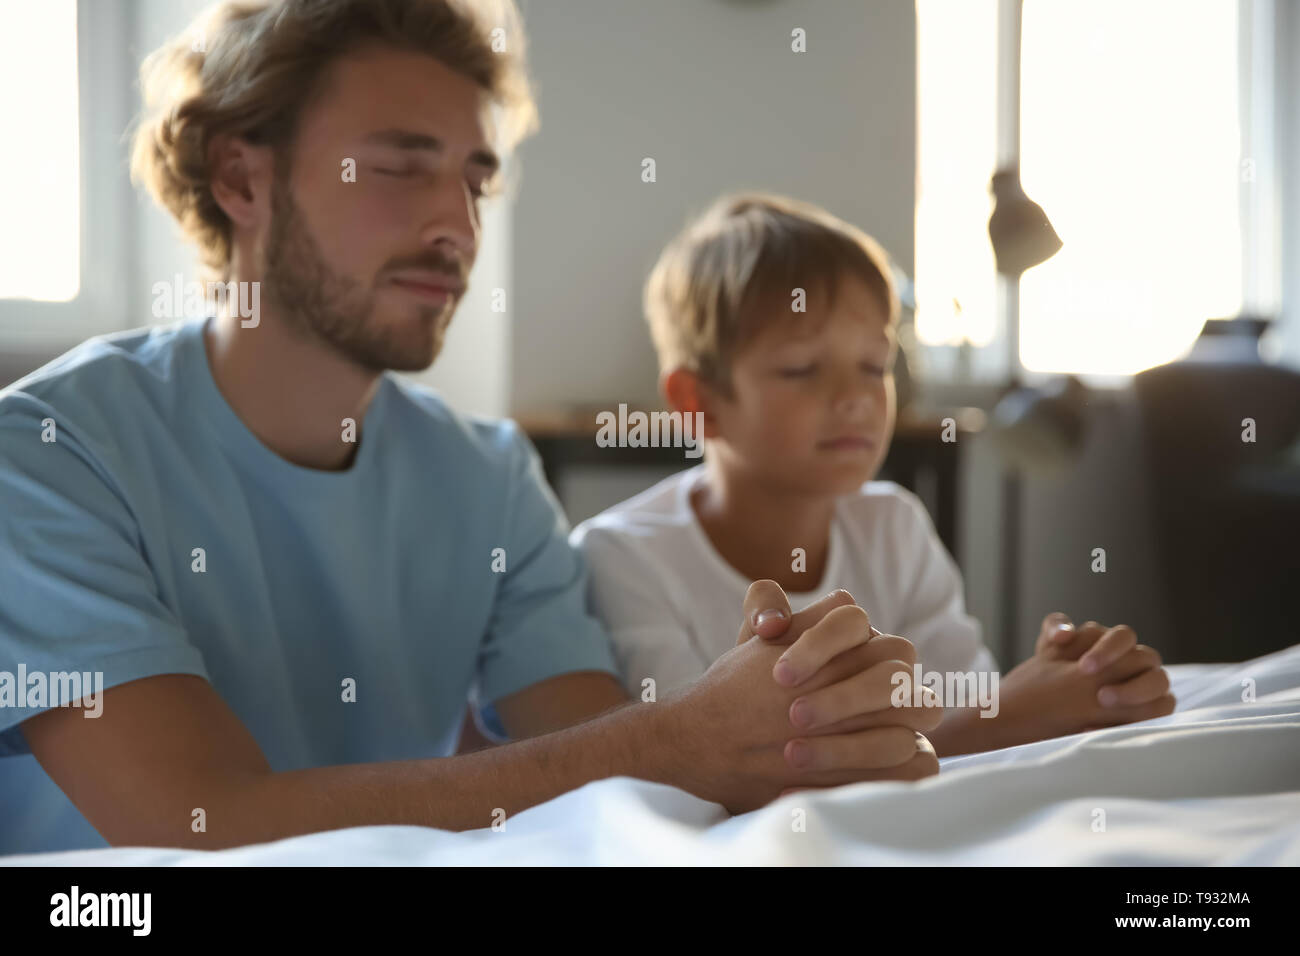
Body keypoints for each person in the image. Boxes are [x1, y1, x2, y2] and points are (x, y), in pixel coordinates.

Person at [0, 1, 941, 856]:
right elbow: (197, 823)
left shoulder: (489, 477)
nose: (457, 226)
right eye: (403, 167)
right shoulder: (47, 454)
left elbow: (605, 763)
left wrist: (788, 718)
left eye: (475, 183)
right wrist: (684, 740)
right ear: (241, 177)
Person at [571, 192, 1176, 757]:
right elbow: (713, 756)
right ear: (697, 402)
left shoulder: (895, 525)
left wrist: (1068, 685)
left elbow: (958, 696)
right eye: (803, 368)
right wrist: (1013, 713)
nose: (856, 397)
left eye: (874, 364)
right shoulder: (622, 557)